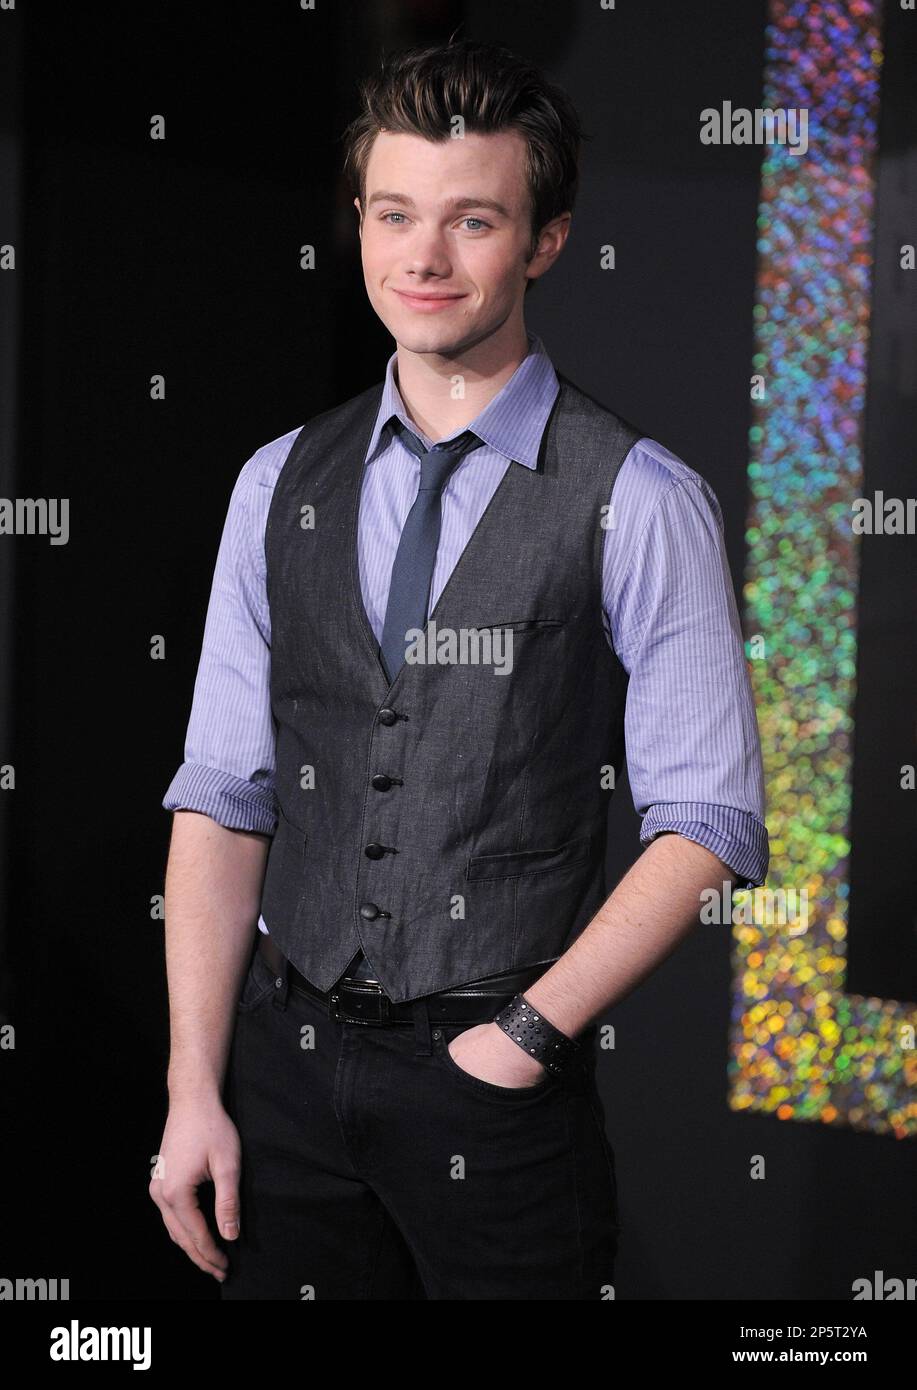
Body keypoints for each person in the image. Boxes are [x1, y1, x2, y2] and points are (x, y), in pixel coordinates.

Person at [150, 38, 768, 1300]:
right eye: (394, 215)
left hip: (493, 1086)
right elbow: (223, 791)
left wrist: (525, 1039)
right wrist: (193, 1087)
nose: (422, 258)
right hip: (282, 1071)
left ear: (543, 241)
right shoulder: (276, 484)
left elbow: (706, 817)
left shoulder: (639, 500)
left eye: (472, 219)